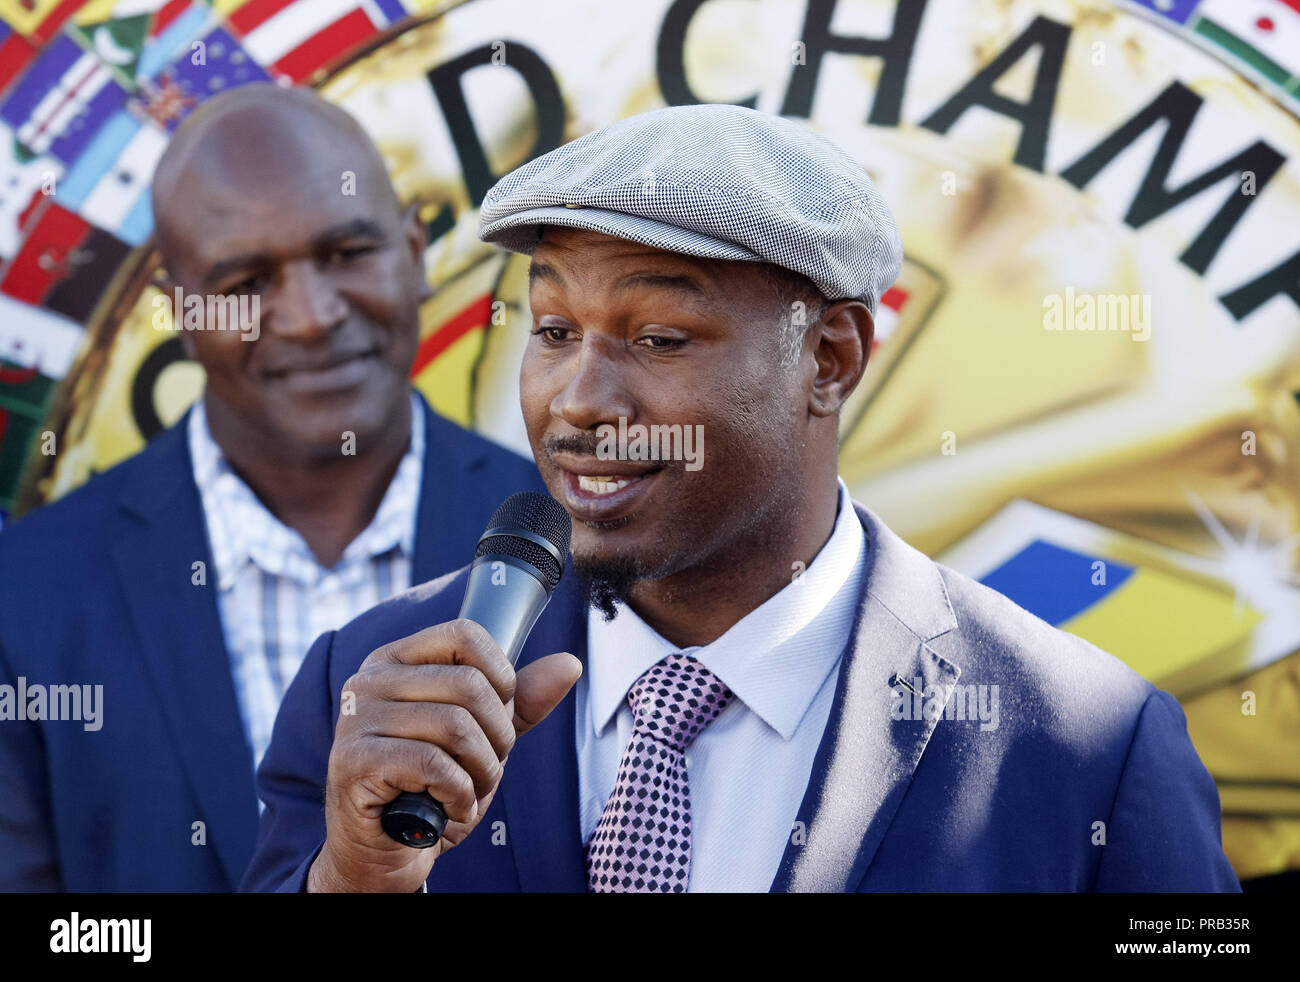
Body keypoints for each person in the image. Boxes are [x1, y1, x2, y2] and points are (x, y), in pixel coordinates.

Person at [241, 104, 1240, 893]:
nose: (578, 398)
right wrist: (357, 883)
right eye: (552, 328)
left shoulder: (1088, 743)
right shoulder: (370, 685)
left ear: (830, 357)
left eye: (660, 336)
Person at [0, 84, 543, 891]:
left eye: (347, 254)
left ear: (413, 250)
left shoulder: (567, 546)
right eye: (247, 282)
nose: (311, 315)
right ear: (180, 312)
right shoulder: (27, 593)